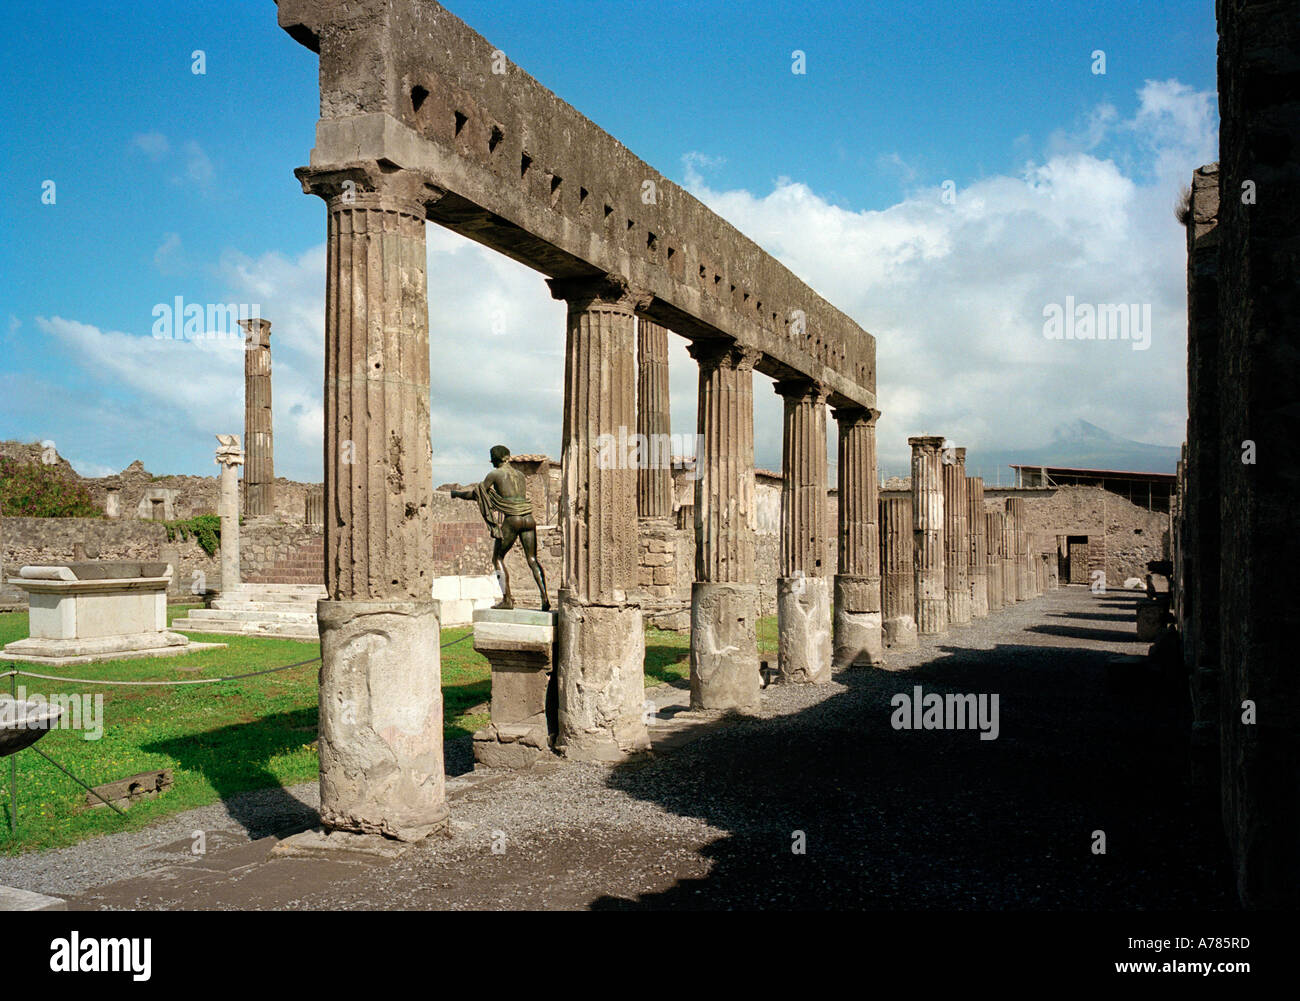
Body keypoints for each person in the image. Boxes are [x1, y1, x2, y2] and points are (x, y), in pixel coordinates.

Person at [451, 445, 549, 611]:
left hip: (513, 519)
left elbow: (478, 495)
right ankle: (545, 597)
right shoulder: (520, 475)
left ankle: (507, 599)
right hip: (528, 518)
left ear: (495, 459)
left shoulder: (495, 474)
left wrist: (458, 494)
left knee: (497, 558)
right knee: (532, 559)